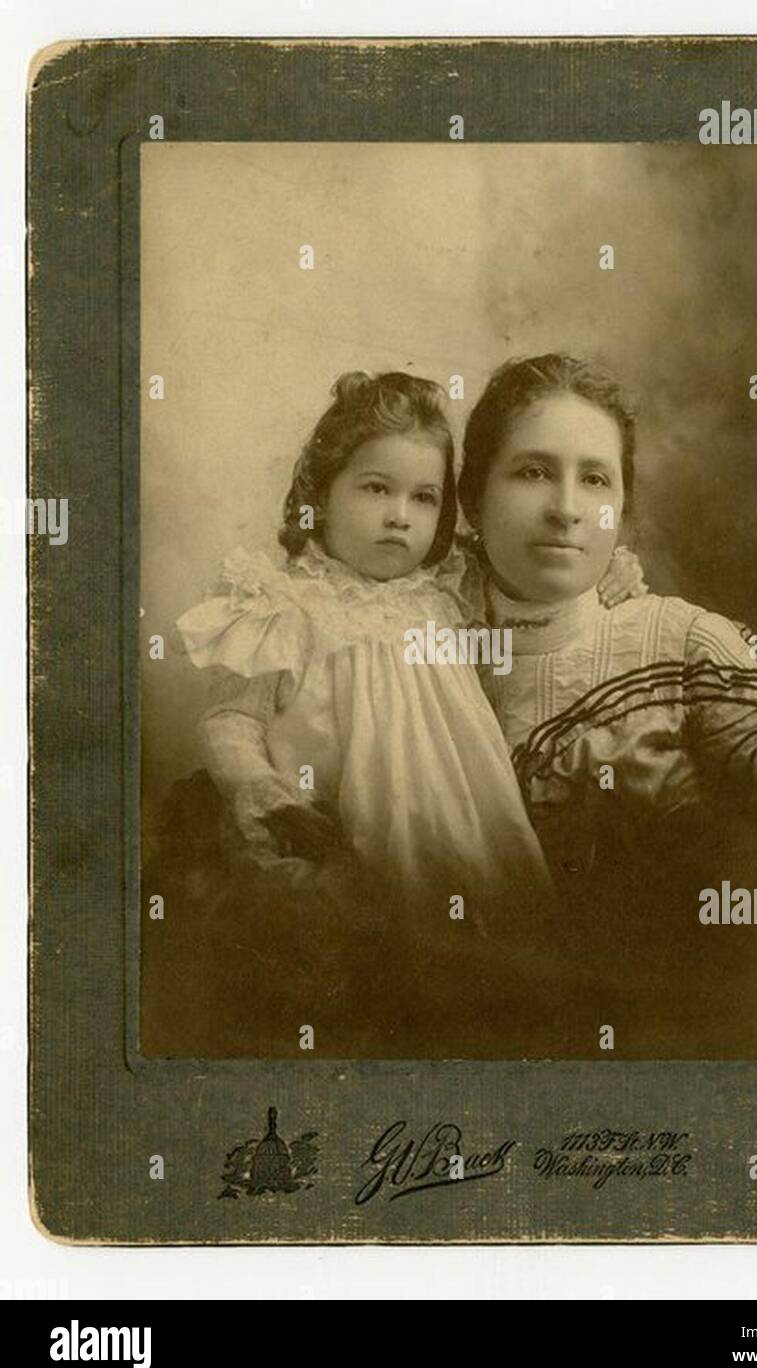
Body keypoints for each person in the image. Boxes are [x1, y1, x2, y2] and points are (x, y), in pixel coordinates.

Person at [144, 369, 643, 1057]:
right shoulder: (282, 603)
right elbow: (231, 719)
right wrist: (255, 786)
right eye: (376, 488)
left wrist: (611, 569)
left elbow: (535, 571)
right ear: (320, 492)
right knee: (367, 973)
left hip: (459, 821)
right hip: (339, 826)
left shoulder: (446, 586)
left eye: (424, 497)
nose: (400, 516)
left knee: (494, 956)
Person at [459, 353, 757, 1058]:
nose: (566, 508)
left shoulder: (683, 642)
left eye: (595, 479)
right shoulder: (411, 664)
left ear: (622, 511)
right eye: (532, 472)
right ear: (471, 498)